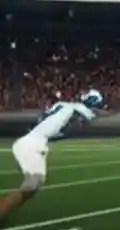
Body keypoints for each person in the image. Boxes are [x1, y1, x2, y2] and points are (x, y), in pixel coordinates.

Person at [0, 89, 104, 223]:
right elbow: (90, 116)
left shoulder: (63, 105)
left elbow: (45, 118)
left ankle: (5, 209)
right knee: (31, 186)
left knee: (33, 186)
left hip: (32, 142)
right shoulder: (80, 110)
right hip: (32, 145)